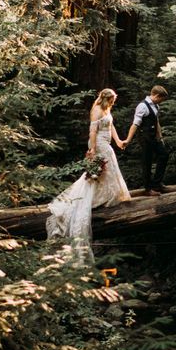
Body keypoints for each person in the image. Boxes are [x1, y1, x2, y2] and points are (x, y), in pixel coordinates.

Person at [46, 88, 131, 266]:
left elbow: (111, 126)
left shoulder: (107, 109)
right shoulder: (96, 110)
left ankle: (108, 196)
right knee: (100, 173)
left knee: (109, 169)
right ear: (107, 98)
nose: (114, 102)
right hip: (99, 145)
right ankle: (95, 198)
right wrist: (92, 150)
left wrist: (118, 141)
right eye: (113, 100)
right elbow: (93, 132)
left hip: (107, 144)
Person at [123, 85, 169, 195]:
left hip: (154, 137)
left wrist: (160, 137)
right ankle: (148, 189)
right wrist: (128, 140)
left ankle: (157, 184)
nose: (161, 102)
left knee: (164, 155)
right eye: (161, 99)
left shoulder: (156, 106)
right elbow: (135, 124)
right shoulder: (142, 106)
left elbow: (156, 122)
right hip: (145, 138)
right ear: (157, 96)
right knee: (147, 162)